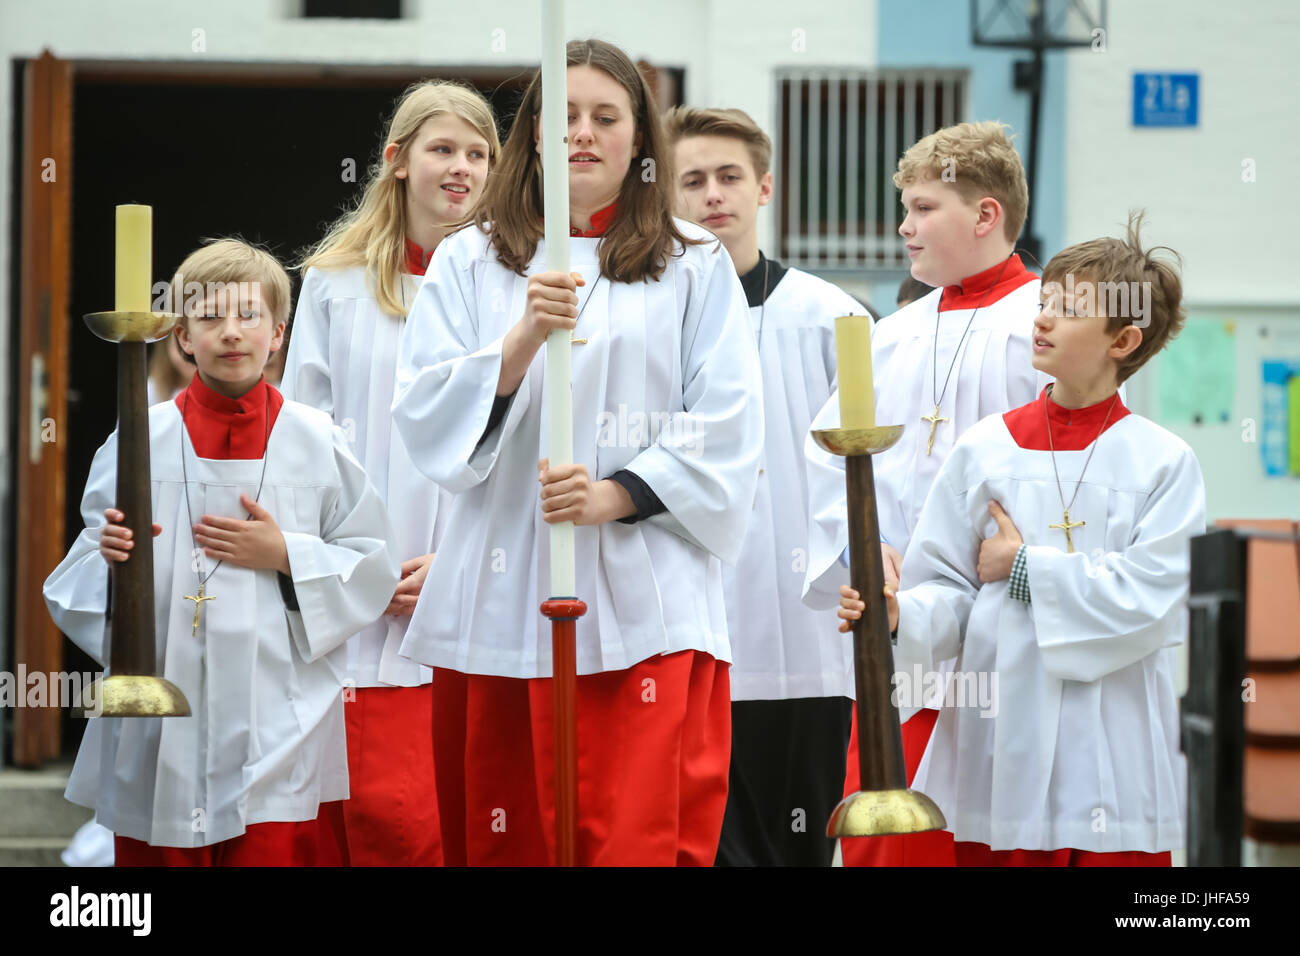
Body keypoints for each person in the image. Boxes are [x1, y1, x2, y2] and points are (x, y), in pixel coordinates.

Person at [392, 39, 763, 867]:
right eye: (562, 119)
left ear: (639, 142)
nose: (584, 135)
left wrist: (618, 493)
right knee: (507, 832)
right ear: (531, 138)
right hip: (502, 584)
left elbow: (731, 417)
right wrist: (521, 339)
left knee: (632, 833)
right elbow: (421, 412)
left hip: (645, 594)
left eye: (606, 116)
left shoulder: (692, 263)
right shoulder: (470, 258)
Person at [837, 213, 1200, 866]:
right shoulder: (987, 445)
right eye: (1047, 300)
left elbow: (1158, 600)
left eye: (1070, 308)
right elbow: (946, 586)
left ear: (1124, 339)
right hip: (999, 732)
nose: (1043, 317)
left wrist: (1025, 567)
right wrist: (900, 614)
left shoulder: (1162, 462)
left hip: (1107, 740)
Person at [44, 239, 399, 866]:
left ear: (280, 332)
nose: (231, 332)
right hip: (166, 716)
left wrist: (289, 553)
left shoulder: (317, 440)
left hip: (277, 718)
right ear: (181, 336)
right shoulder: (142, 437)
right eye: (210, 318)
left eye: (249, 316)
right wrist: (111, 555)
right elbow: (77, 576)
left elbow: (370, 563)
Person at [802, 120, 1049, 867]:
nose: (904, 227)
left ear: (986, 215)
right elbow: (829, 463)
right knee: (897, 833)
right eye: (903, 208)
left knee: (990, 831)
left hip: (1006, 619)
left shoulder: (1042, 326)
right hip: (905, 630)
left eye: (923, 207)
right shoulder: (890, 334)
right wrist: (863, 547)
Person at [283, 80, 499, 866]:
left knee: (447, 823)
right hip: (360, 590)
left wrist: (461, 564)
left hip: (472, 579)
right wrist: (355, 568)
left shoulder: (509, 285)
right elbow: (303, 441)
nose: (463, 169)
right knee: (365, 819)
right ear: (397, 161)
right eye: (444, 150)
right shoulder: (335, 284)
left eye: (479, 154)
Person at [664, 105, 864, 867]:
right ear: (669, 195)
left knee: (798, 850)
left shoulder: (828, 316)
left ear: (765, 186)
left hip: (800, 639)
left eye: (729, 176)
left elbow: (864, 472)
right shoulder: (653, 313)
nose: (713, 194)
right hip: (686, 631)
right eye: (693, 180)